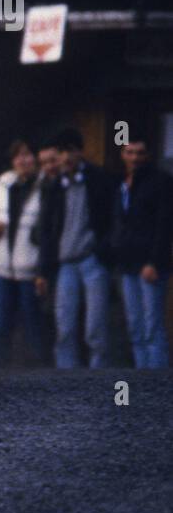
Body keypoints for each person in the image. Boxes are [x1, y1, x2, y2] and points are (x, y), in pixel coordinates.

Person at [35, 127, 114, 368]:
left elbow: (112, 220)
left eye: (70, 151)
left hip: (92, 260)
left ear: (80, 152)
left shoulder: (99, 179)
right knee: (65, 326)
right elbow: (46, 231)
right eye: (60, 152)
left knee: (95, 328)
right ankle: (66, 381)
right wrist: (42, 270)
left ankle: (99, 377)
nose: (66, 158)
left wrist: (103, 251)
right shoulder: (53, 187)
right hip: (65, 264)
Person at [0, 141, 47, 365]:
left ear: (35, 159)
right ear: (13, 161)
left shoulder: (46, 186)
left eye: (27, 155)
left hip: (30, 271)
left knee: (33, 327)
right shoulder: (0, 188)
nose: (23, 160)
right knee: (0, 327)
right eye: (18, 156)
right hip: (1, 271)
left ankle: (39, 381)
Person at [110, 137, 173, 368]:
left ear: (147, 156)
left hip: (150, 264)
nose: (135, 157)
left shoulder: (160, 181)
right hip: (127, 264)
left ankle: (156, 383)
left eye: (140, 153)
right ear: (123, 155)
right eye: (130, 152)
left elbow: (164, 225)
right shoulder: (122, 184)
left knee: (152, 327)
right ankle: (141, 380)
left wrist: (154, 262)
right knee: (135, 327)